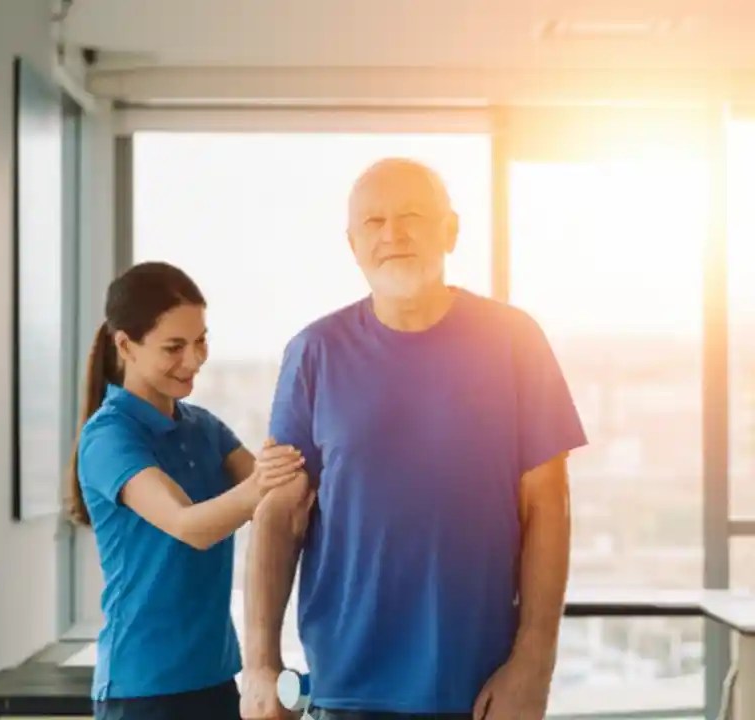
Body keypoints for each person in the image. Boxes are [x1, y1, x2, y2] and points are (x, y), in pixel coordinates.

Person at [240, 159, 588, 720]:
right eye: (373, 222)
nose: (392, 235)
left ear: (450, 231)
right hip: (344, 690)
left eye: (411, 216)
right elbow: (280, 513)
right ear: (353, 244)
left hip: (481, 691)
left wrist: (533, 664)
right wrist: (259, 664)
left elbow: (548, 506)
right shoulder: (313, 352)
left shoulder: (515, 340)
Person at [69, 260, 308, 720]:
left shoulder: (204, 427)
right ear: (126, 346)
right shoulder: (110, 436)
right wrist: (263, 483)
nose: (194, 360)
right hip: (143, 689)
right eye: (174, 347)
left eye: (201, 341)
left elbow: (280, 503)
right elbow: (188, 526)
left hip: (216, 676)